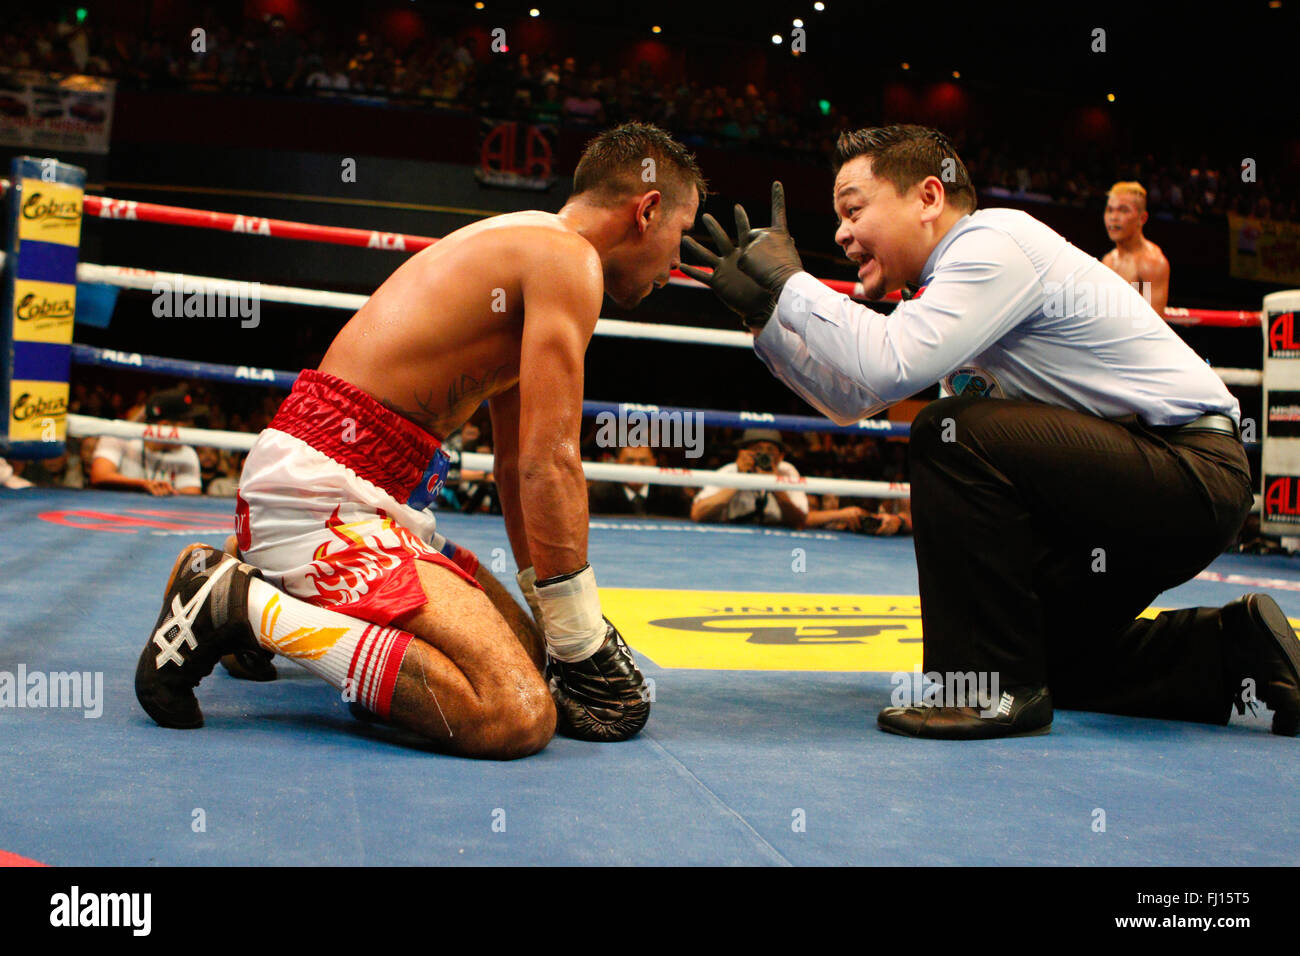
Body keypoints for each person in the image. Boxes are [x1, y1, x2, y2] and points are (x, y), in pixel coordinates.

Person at [683, 123, 1298, 740]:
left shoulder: (993, 243)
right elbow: (855, 397)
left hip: (1186, 469)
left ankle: (983, 688)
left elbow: (888, 360)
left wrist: (791, 284)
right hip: (1135, 489)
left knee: (951, 434)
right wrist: (766, 318)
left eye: (853, 209)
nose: (840, 232)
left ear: (928, 198)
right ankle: (1236, 648)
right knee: (1052, 661)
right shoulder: (949, 286)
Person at [135, 123, 704, 759]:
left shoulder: (532, 249)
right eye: (681, 237)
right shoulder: (568, 260)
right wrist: (582, 633)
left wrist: (557, 624)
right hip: (323, 496)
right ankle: (241, 607)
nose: (675, 268)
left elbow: (517, 466)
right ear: (648, 210)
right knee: (516, 714)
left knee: (534, 660)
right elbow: (553, 463)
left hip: (357, 495)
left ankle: (258, 574)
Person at [90, 387, 203, 496]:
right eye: (187, 424)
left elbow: (190, 496)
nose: (190, 430)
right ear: (165, 425)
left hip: (160, 513)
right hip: (113, 510)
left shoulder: (187, 453)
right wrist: (143, 484)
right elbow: (100, 475)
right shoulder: (118, 437)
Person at [690, 428, 808, 528]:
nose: (764, 455)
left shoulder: (786, 472)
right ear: (743, 453)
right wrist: (739, 480)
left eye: (770, 450)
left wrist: (775, 486)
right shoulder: (730, 471)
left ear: (781, 456)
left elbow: (800, 521)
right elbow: (698, 514)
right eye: (757, 449)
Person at [1101, 181, 1170, 319]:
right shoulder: (1108, 260)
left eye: (1123, 210)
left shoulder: (1152, 263)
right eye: (1110, 210)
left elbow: (1151, 326)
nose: (1114, 217)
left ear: (1142, 218)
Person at [588, 444, 689, 517]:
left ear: (654, 463)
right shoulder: (599, 493)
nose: (636, 467)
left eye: (643, 461)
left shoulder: (671, 491)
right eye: (629, 461)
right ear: (617, 463)